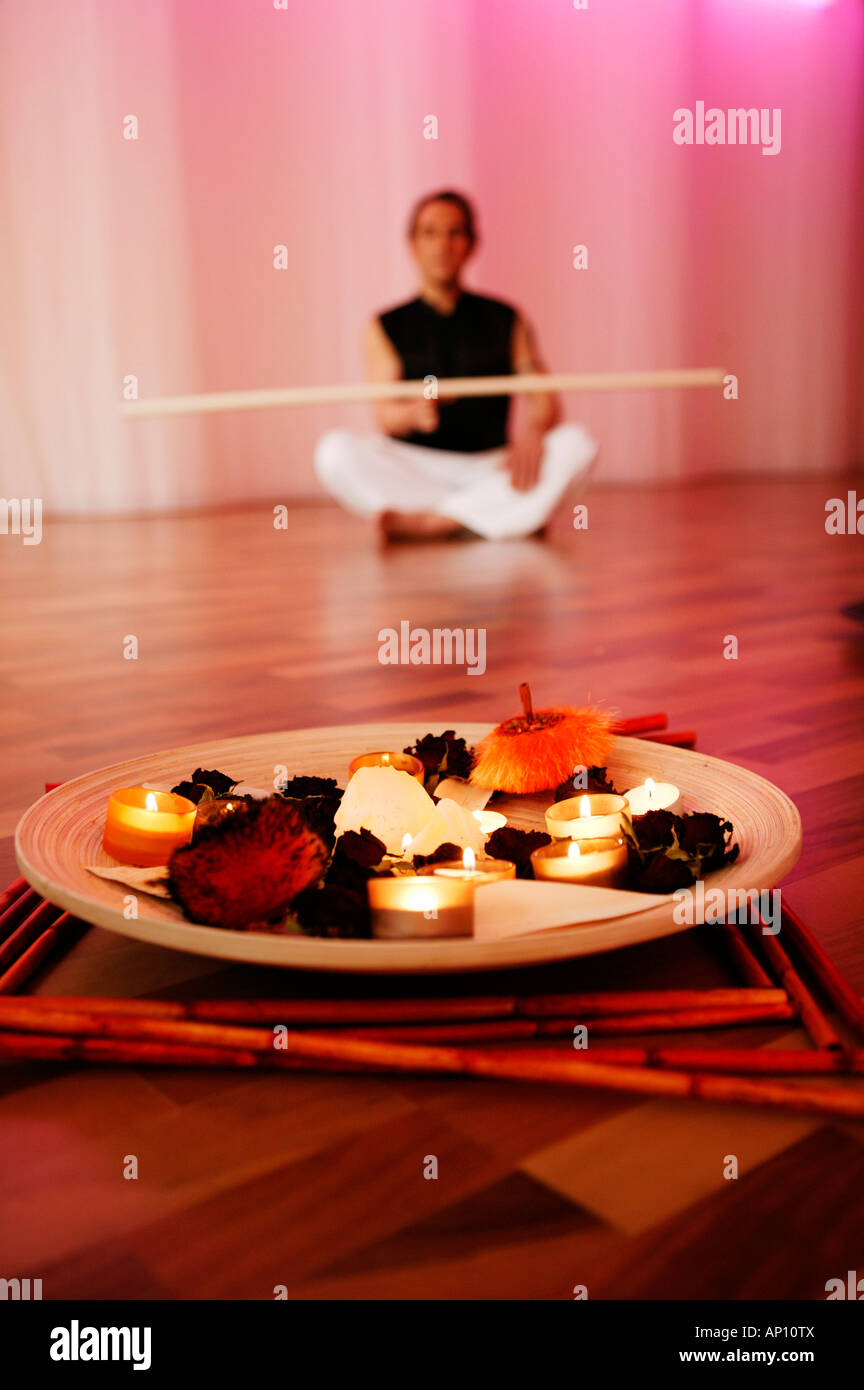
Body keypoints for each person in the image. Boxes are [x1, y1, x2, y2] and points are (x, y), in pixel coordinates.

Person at [314, 190, 597, 541]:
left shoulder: (507, 319)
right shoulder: (385, 325)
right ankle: (493, 515)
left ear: (472, 244)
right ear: (413, 244)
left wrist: (533, 433)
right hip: (416, 468)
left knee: (578, 445)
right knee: (334, 452)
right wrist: (414, 414)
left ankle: (439, 522)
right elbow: (385, 416)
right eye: (430, 233)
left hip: (492, 466)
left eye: (455, 233)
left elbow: (544, 400)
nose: (443, 245)